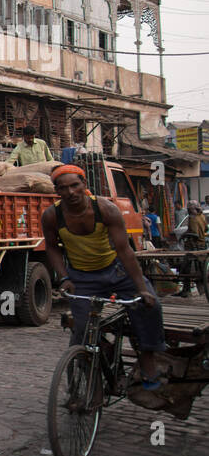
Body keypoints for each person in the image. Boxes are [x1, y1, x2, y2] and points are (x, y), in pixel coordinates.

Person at [42, 164, 166, 401]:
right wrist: (64, 277)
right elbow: (51, 246)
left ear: (84, 185)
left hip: (117, 272)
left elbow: (124, 251)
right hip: (82, 278)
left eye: (75, 186)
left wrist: (141, 287)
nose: (70, 193)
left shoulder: (106, 209)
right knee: (82, 330)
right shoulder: (52, 216)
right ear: (56, 191)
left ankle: (148, 360)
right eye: (64, 188)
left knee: (150, 306)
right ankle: (94, 384)